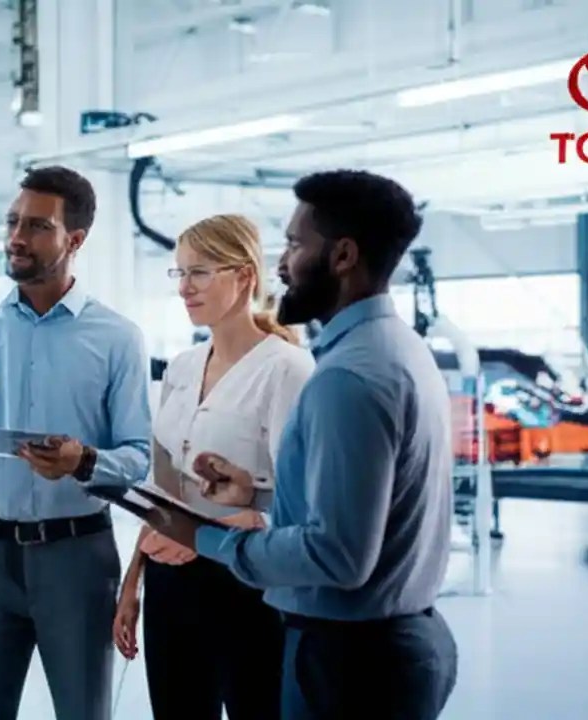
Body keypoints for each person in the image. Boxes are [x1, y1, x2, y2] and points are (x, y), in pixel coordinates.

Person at [141, 169, 459, 720]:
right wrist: (259, 494)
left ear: (342, 256)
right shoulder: (396, 349)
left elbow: (338, 555)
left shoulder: (347, 376)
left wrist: (206, 536)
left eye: (293, 243)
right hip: (387, 642)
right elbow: (357, 513)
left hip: (352, 661)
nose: (282, 264)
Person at [0, 165, 152, 720]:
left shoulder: (117, 339)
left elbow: (139, 457)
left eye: (38, 226)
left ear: (75, 240)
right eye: (13, 221)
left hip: (76, 557)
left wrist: (83, 460)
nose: (17, 236)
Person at [112, 214, 313, 720]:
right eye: (179, 273)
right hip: (170, 583)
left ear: (244, 276)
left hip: (246, 583)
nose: (184, 288)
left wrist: (229, 523)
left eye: (199, 272)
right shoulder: (181, 368)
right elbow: (163, 487)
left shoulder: (285, 370)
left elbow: (301, 502)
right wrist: (133, 580)